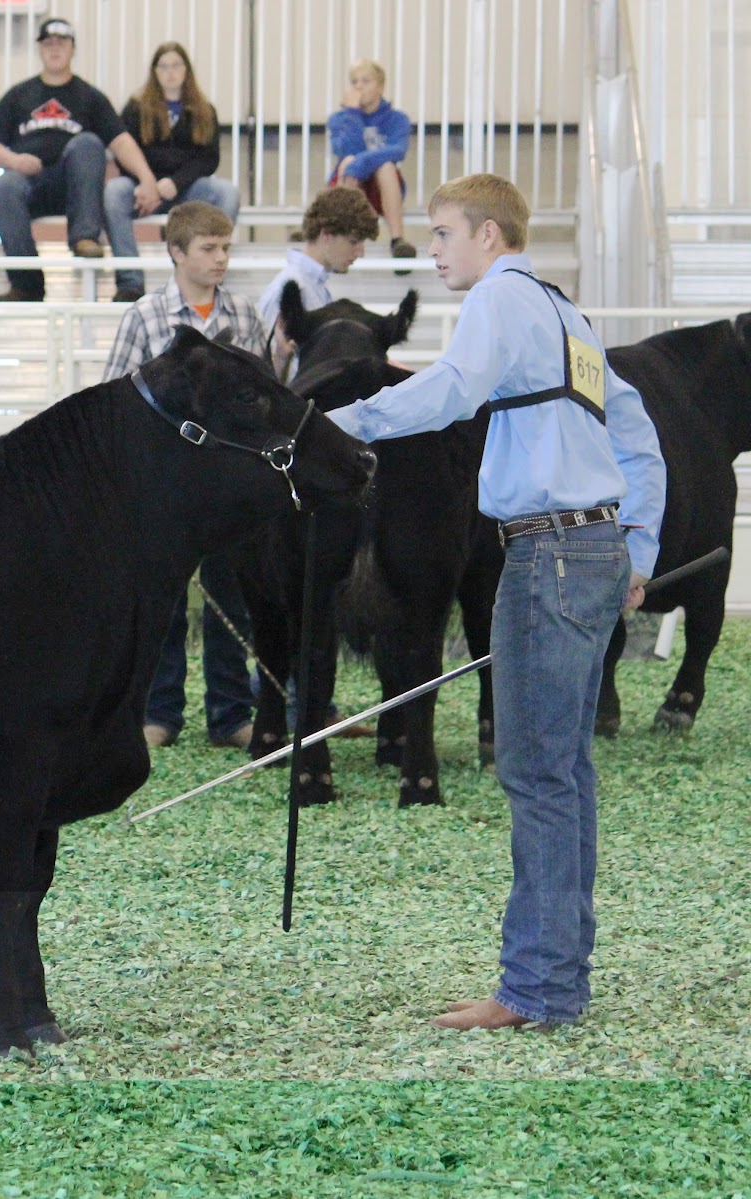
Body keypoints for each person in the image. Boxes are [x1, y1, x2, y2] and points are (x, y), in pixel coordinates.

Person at [324, 173, 665, 1031]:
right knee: (565, 771)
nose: (432, 250)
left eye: (442, 233)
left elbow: (452, 390)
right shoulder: (565, 314)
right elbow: (636, 436)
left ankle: (536, 988)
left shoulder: (501, 300)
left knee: (540, 773)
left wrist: (344, 422)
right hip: (592, 546)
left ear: (489, 235)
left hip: (547, 552)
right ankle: (559, 979)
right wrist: (638, 545)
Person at [102, 201, 278, 751]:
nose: (221, 258)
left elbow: (266, 399)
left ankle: (231, 714)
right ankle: (159, 713)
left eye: (225, 247)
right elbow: (116, 398)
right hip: (163, 488)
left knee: (232, 600)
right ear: (176, 252)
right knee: (163, 604)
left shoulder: (245, 315)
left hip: (229, 486)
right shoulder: (144, 316)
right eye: (209, 248)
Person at [0, 16, 161, 302]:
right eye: (48, 43)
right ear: (40, 49)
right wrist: (14, 161)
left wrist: (147, 178)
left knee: (88, 143)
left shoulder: (90, 97)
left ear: (73, 49)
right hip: (30, 183)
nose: (55, 48)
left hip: (77, 188)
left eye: (61, 43)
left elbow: (121, 141)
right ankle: (26, 284)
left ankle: (85, 238)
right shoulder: (18, 95)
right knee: (1, 188)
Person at [102, 41, 242, 304]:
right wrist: (147, 184)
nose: (170, 72)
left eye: (176, 65)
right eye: (163, 66)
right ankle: (130, 281)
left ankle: (207, 273)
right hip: (144, 191)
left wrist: (176, 183)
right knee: (114, 191)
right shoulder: (135, 108)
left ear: (186, 70)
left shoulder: (204, 110)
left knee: (227, 193)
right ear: (154, 71)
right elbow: (124, 152)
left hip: (187, 191)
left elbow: (208, 159)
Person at [257, 186, 381, 362]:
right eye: (353, 242)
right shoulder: (290, 289)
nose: (361, 253)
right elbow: (266, 367)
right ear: (326, 235)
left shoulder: (314, 287)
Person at [327, 60, 416, 261]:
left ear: (381, 87)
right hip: (350, 184)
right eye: (354, 82)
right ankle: (348, 240)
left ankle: (397, 241)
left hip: (381, 190)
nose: (358, 86)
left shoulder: (397, 119)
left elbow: (398, 151)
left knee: (385, 166)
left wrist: (361, 162)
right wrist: (352, 113)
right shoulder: (339, 119)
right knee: (348, 161)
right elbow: (345, 150)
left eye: (366, 81)